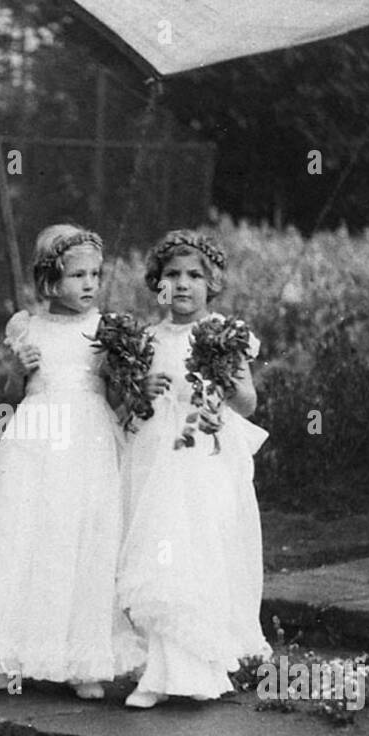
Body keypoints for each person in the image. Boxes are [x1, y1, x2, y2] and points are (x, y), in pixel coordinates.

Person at [0, 225, 132, 697]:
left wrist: (117, 375)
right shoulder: (25, 327)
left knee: (82, 537)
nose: (90, 284)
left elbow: (117, 396)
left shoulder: (104, 330)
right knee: (24, 535)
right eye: (78, 275)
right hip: (34, 439)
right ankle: (5, 650)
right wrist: (19, 370)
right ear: (50, 282)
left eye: (95, 274)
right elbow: (10, 398)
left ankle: (84, 660)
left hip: (87, 438)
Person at [114, 231, 271, 708]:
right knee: (158, 557)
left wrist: (221, 388)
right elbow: (127, 409)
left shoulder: (224, 334)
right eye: (172, 276)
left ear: (212, 283)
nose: (182, 285)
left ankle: (197, 666)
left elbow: (248, 402)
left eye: (194, 276)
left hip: (205, 458)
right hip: (155, 454)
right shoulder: (146, 340)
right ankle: (157, 671)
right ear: (156, 285)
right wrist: (141, 390)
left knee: (197, 556)